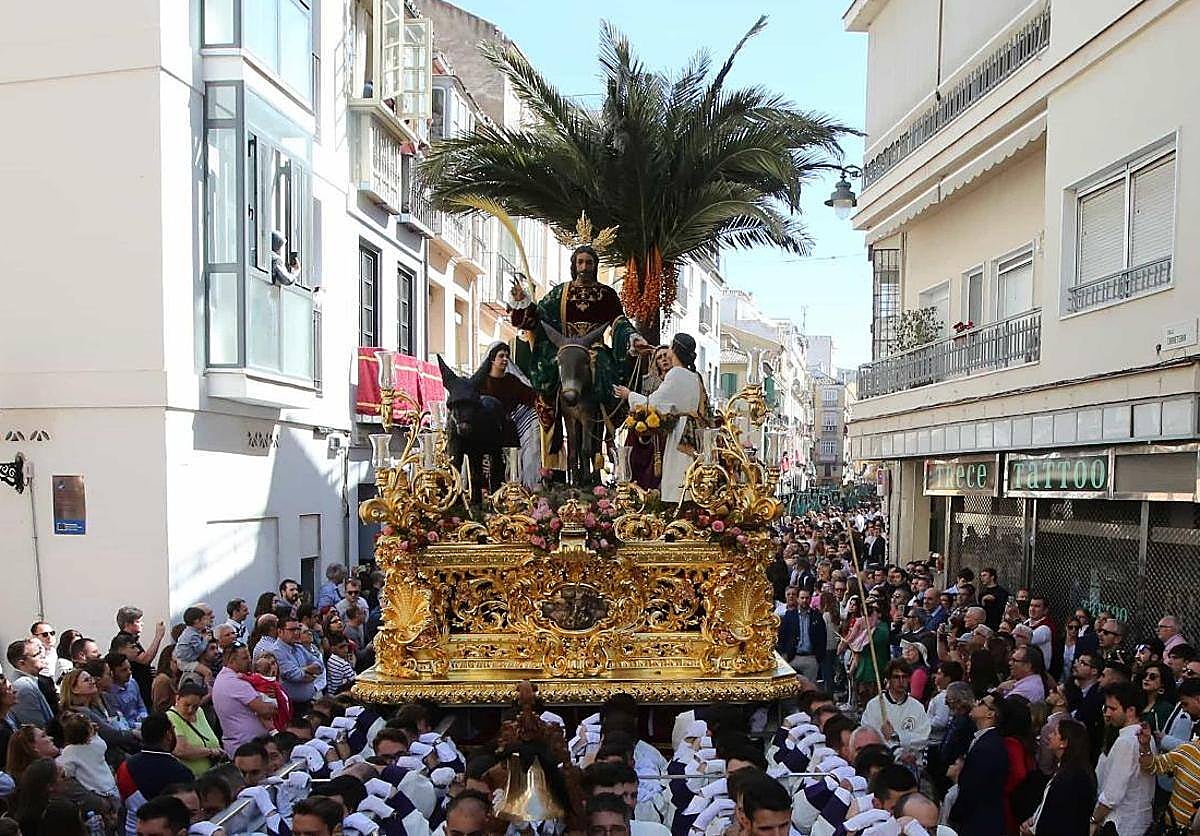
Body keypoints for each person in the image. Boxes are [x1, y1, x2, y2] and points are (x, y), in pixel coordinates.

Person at [508, 244, 647, 467]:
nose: (584, 267)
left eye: (589, 263)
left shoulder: (607, 294)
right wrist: (522, 302)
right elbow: (539, 318)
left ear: (595, 266)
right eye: (580, 262)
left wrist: (632, 338)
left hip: (595, 348)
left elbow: (619, 322)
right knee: (553, 375)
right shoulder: (560, 293)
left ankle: (605, 420)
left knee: (603, 369)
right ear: (574, 265)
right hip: (565, 347)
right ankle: (553, 419)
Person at [614, 333, 708, 504]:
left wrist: (629, 395)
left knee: (677, 472)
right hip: (692, 432)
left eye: (670, 349)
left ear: (674, 350)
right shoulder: (694, 376)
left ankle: (677, 506)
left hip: (680, 431)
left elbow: (654, 403)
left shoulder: (676, 374)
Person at [476, 341, 541, 488]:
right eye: (501, 356)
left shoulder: (512, 381)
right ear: (492, 359)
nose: (505, 359)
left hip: (509, 433)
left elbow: (532, 398)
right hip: (488, 432)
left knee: (511, 468)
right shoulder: (480, 383)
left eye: (507, 356)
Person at [1092, 681, 1154, 836]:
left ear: (1130, 710)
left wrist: (1093, 820)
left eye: (1113, 709)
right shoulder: (1146, 737)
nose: (1107, 713)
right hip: (1137, 822)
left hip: (1122, 825)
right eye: (1106, 708)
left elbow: (1112, 795)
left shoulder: (1126, 742)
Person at [1021, 718, 1095, 835]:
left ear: (1064, 743)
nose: (1049, 736)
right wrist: (1033, 822)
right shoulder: (1065, 770)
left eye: (1055, 733)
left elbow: (1059, 819)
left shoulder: (1071, 778)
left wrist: (1033, 832)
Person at [948, 692, 1008, 836]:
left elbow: (973, 789)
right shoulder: (984, 741)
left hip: (980, 824)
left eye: (981, 703)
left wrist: (955, 814)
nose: (975, 703)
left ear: (990, 714)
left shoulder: (988, 747)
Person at [861, 659, 931, 763]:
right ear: (888, 679)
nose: (901, 681)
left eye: (904, 677)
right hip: (883, 762)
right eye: (896, 677)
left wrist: (897, 736)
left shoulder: (917, 707)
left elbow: (923, 737)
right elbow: (870, 734)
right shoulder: (875, 705)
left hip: (909, 763)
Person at [211, 644, 276, 754]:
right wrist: (274, 705)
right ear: (232, 661)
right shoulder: (236, 681)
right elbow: (264, 710)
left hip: (244, 743)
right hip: (247, 747)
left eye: (249, 657)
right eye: (245, 658)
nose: (250, 661)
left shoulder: (223, 677)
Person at [166, 678, 223, 777]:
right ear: (177, 699)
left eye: (195, 706)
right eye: (186, 705)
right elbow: (180, 750)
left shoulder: (199, 712)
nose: (190, 710)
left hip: (210, 774)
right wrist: (210, 752)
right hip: (189, 778)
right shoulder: (170, 717)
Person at [57, 710, 119, 801]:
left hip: (95, 792)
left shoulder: (68, 751)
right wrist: (94, 734)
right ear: (90, 730)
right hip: (111, 786)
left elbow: (68, 772)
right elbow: (98, 741)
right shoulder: (98, 743)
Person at [112, 606, 166, 708]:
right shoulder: (124, 640)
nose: (142, 624)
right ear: (127, 624)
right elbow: (145, 659)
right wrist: (158, 636)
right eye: (138, 621)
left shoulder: (133, 639)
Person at [776, 586, 826, 683]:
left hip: (810, 657)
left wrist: (818, 658)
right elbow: (782, 636)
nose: (804, 600)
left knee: (810, 689)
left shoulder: (817, 616)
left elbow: (822, 638)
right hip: (792, 657)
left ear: (810, 599)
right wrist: (784, 654)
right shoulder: (789, 616)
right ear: (798, 599)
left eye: (807, 598)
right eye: (802, 598)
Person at [275, 616, 322, 715]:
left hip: (308, 702)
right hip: (293, 707)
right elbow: (295, 675)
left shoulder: (299, 648)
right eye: (292, 630)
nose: (296, 633)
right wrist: (308, 671)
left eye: (298, 629)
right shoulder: (277, 652)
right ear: (280, 632)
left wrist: (303, 670)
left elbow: (320, 665)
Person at [5, 640, 54, 726]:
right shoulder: (23, 687)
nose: (42, 656)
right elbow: (37, 727)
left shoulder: (33, 681)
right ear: (22, 663)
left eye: (40, 652)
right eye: (36, 654)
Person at [103, 651, 148, 728]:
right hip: (127, 728)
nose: (129, 672)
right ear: (112, 673)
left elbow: (141, 705)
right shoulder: (109, 694)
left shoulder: (132, 683)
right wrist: (137, 725)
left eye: (129, 668)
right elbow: (119, 719)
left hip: (142, 722)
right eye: (123, 670)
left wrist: (143, 715)